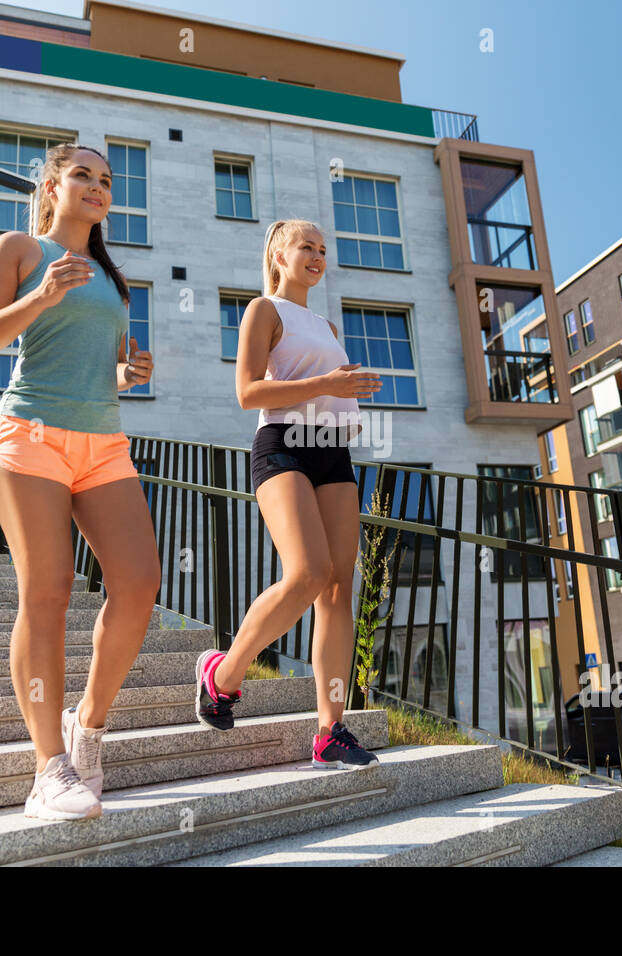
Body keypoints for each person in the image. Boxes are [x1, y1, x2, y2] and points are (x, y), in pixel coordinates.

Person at [0, 143, 159, 820]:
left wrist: (124, 376)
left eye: (106, 179)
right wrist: (42, 294)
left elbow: (96, 369)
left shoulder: (114, 279)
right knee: (47, 589)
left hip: (102, 443)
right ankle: (49, 766)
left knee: (138, 585)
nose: (98, 186)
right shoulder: (19, 249)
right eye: (83, 174)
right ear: (51, 185)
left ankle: (89, 726)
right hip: (31, 436)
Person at [193, 219, 383, 769]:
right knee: (307, 573)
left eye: (324, 249)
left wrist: (346, 410)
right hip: (281, 446)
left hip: (331, 451)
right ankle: (222, 675)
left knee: (339, 589)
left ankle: (331, 730)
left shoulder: (325, 323)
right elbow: (249, 390)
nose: (318, 256)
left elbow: (329, 386)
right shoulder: (263, 310)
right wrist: (327, 386)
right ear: (279, 253)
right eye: (307, 246)